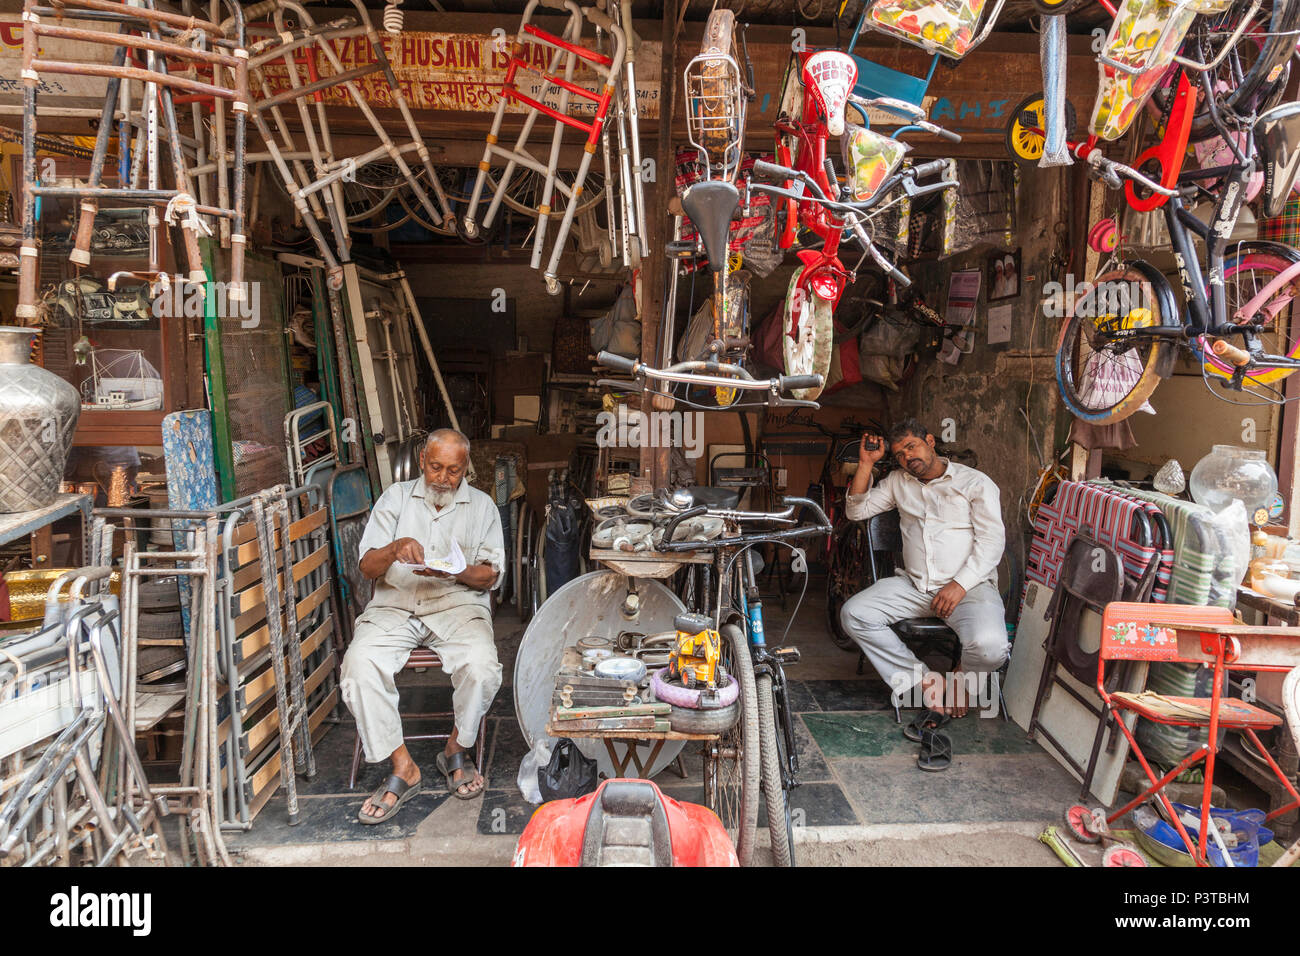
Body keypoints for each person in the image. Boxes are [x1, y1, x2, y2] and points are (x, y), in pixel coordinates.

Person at [341, 429, 505, 821]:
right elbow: (367, 567)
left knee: (482, 668)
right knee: (358, 668)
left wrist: (457, 570)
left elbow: (491, 577)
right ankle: (403, 766)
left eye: (453, 470)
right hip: (395, 605)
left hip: (456, 604)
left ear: (466, 468)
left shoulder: (482, 506)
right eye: (436, 467)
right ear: (421, 462)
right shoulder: (395, 499)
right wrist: (396, 548)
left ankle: (455, 746)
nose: (443, 478)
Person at [838, 419, 1009, 739]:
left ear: (930, 441)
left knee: (991, 648)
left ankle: (961, 680)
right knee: (854, 614)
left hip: (968, 588)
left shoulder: (976, 483)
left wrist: (959, 585)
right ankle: (925, 681)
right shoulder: (897, 481)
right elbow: (856, 512)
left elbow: (992, 544)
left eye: (912, 447)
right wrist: (865, 464)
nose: (907, 458)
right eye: (900, 454)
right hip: (914, 586)